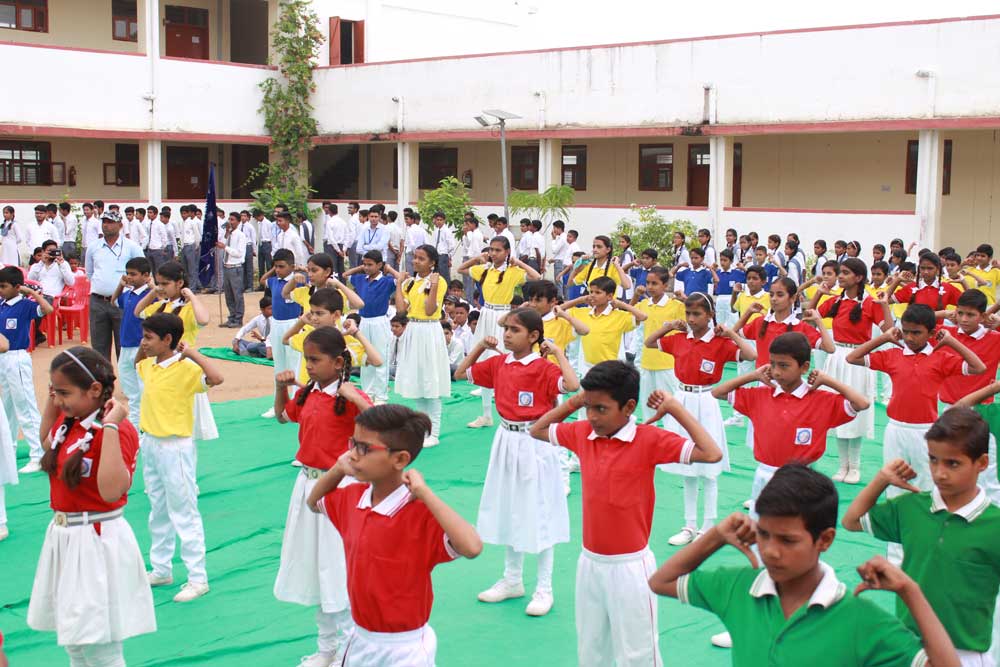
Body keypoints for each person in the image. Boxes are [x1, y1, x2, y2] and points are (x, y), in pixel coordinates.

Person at [650, 464, 960, 667]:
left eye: (788, 540)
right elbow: (660, 582)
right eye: (763, 534)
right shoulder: (738, 586)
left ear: (825, 540)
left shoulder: (860, 619)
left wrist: (910, 591)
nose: (771, 552)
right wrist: (716, 535)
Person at [528, 361, 722, 667]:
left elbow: (711, 453)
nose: (592, 416)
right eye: (589, 407)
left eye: (601, 409)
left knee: (638, 655)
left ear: (629, 407)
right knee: (592, 651)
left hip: (631, 568)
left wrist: (675, 408)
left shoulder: (648, 439)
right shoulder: (582, 433)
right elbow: (536, 429)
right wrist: (575, 401)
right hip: (589, 563)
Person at [303, 404, 482, 666]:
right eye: (353, 443)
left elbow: (472, 547)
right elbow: (313, 502)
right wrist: (338, 470)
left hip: (405, 649)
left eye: (364, 448)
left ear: (400, 460)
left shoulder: (419, 512)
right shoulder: (352, 499)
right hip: (359, 639)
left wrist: (425, 493)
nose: (352, 455)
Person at [27, 347, 156, 667]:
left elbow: (111, 491)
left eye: (64, 393)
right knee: (75, 643)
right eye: (54, 392)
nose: (58, 401)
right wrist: (55, 397)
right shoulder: (70, 421)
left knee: (100, 649)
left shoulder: (117, 430)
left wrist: (110, 426)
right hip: (65, 537)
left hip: (96, 540)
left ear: (95, 390)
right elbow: (45, 443)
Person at [842, 408, 1000, 666]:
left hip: (965, 654)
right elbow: (851, 521)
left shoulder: (995, 525)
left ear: (981, 463)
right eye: (933, 460)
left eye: (953, 463)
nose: (939, 473)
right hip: (910, 646)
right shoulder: (911, 507)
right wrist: (882, 479)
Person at [454, 308, 578, 616]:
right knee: (511, 508)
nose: (507, 334)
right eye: (506, 328)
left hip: (536, 441)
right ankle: (512, 580)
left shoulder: (543, 368)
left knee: (540, 511)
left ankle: (544, 588)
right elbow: (460, 374)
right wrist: (480, 347)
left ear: (534, 336)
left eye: (515, 330)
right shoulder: (500, 363)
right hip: (506, 440)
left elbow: (573, 385)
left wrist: (558, 353)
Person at [846, 304, 985, 561]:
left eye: (916, 332)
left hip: (926, 433)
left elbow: (978, 368)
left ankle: (927, 545)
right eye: (906, 331)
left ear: (931, 333)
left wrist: (951, 341)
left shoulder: (941, 358)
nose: (909, 337)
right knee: (894, 486)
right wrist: (884, 338)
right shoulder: (893, 356)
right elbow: (852, 358)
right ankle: (897, 555)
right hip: (895, 430)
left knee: (927, 487)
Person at [274, 326, 371, 667]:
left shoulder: (350, 399)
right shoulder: (307, 394)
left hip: (340, 490)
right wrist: (281, 388)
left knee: (336, 569)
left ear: (338, 362)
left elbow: (381, 426)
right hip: (307, 486)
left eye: (315, 360)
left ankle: (349, 651)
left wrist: (355, 396)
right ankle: (327, 648)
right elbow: (282, 416)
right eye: (306, 359)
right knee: (316, 567)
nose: (309, 366)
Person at [645, 293, 755, 546]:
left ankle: (708, 526)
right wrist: (669, 327)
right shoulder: (679, 339)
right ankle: (690, 525)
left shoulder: (719, 343)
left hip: (706, 401)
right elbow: (650, 342)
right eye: (688, 314)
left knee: (709, 470)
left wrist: (731, 333)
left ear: (710, 315)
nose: (691, 319)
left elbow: (750, 355)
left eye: (697, 314)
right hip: (682, 400)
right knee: (688, 465)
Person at [138, 313, 224, 604]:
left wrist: (191, 353)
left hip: (175, 447)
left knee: (184, 511)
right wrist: (146, 345)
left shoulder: (186, 368)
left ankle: (198, 578)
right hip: (150, 442)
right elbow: (137, 361)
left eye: (149, 338)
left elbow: (216, 378)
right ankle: (161, 569)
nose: (144, 343)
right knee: (158, 509)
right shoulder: (148, 366)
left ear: (168, 340)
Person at [808, 258, 890, 483]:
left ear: (859, 277)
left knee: (856, 413)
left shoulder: (870, 303)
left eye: (845, 273)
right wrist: (819, 292)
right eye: (840, 273)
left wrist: (884, 304)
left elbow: (889, 330)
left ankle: (855, 466)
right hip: (837, 358)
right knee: (837, 410)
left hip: (858, 359)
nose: (840, 276)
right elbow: (810, 315)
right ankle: (842, 465)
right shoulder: (836, 301)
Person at [457, 236, 541, 428]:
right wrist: (477, 258)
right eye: (491, 250)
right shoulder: (485, 269)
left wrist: (518, 262)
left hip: (504, 315)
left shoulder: (513, 271)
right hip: (486, 314)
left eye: (498, 250)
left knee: (507, 361)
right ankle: (486, 414)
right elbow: (461, 269)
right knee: (484, 362)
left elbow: (536, 277)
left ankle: (515, 411)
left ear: (507, 252)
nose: (493, 253)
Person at [134, 261, 216, 441]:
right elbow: (138, 312)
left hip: (182, 362)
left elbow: (203, 320)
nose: (161, 288)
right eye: (159, 283)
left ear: (179, 283)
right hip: (160, 362)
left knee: (183, 407)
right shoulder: (161, 306)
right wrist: (153, 291)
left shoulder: (188, 308)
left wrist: (191, 296)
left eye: (165, 284)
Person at [393, 245, 451, 446]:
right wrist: (399, 284)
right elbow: (401, 310)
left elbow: (430, 310)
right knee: (417, 380)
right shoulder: (410, 283)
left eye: (421, 258)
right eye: (415, 257)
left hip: (429, 331)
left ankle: (433, 433)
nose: (415, 261)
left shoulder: (439, 281)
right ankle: (422, 429)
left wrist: (433, 285)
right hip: (413, 331)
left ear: (432, 262)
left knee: (430, 381)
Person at [0, 267, 53, 473]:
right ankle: (8, 451)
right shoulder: (2, 305)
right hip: (3, 360)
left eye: (4, 286)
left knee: (26, 408)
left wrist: (30, 292)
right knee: (8, 408)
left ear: (16, 287)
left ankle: (38, 455)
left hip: (17, 358)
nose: (1, 290)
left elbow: (48, 309)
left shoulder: (25, 305)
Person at [85, 211, 144, 361]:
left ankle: (125, 375)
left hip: (123, 302)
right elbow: (90, 273)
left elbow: (143, 272)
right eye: (104, 222)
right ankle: (103, 376)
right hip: (98, 301)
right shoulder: (93, 247)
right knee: (99, 346)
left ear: (120, 225)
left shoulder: (132, 247)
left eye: (110, 222)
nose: (106, 225)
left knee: (123, 345)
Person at [563, 276, 648, 375]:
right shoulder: (584, 313)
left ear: (610, 296)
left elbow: (643, 317)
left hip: (610, 369)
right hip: (587, 367)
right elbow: (557, 310)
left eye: (598, 292)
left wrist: (621, 304)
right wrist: (580, 300)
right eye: (591, 292)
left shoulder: (618, 316)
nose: (593, 295)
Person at [343, 251, 396, 404]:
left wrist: (389, 269)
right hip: (364, 321)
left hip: (380, 321)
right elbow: (345, 275)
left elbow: (401, 279)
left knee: (381, 357)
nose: (366, 267)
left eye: (370, 265)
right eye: (364, 264)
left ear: (379, 265)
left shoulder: (386, 281)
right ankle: (368, 393)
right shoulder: (361, 279)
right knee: (365, 357)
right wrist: (361, 267)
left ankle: (380, 396)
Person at [631, 267, 683, 421]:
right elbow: (629, 314)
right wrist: (635, 295)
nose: (650, 287)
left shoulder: (676, 306)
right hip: (647, 362)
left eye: (654, 283)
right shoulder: (644, 304)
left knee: (671, 407)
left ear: (665, 285)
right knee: (647, 406)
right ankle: (649, 433)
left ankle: (673, 435)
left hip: (667, 363)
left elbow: (689, 326)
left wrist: (684, 299)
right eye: (648, 283)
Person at [259, 249, 303, 419]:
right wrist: (273, 268)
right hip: (276, 325)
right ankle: (279, 403)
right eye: (276, 266)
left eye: (281, 266)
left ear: (291, 266)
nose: (278, 270)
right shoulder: (273, 281)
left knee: (295, 365)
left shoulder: (298, 281)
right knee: (279, 365)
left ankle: (297, 403)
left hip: (292, 324)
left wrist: (298, 271)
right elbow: (262, 280)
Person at [111, 256, 152, 429]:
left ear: (146, 275)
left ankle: (147, 427)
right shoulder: (128, 294)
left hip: (141, 347)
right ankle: (136, 429)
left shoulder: (150, 296)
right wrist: (121, 285)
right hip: (125, 347)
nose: (129, 277)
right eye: (127, 273)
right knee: (132, 394)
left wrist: (152, 287)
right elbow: (114, 301)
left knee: (144, 390)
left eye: (133, 274)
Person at [216, 213, 247, 328]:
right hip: (227, 267)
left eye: (233, 220)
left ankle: (238, 319)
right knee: (228, 295)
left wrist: (225, 247)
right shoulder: (229, 234)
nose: (230, 222)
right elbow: (222, 243)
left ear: (238, 222)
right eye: (229, 219)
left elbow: (239, 253)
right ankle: (232, 316)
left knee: (237, 295)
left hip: (235, 268)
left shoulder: (240, 235)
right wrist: (225, 235)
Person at [710, 249, 744, 328]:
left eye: (725, 260)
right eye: (721, 260)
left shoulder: (737, 273)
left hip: (732, 299)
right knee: (720, 320)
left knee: (733, 320)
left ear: (731, 261)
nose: (722, 262)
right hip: (720, 299)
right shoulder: (717, 273)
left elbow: (749, 276)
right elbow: (713, 281)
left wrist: (743, 268)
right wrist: (712, 270)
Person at [429, 212, 456, 279]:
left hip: (443, 255)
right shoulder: (437, 230)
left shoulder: (447, 231)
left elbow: (451, 245)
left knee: (443, 274)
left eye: (441, 220)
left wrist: (449, 255)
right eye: (437, 220)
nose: (439, 222)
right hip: (437, 255)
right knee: (436, 274)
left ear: (444, 220)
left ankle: (446, 286)